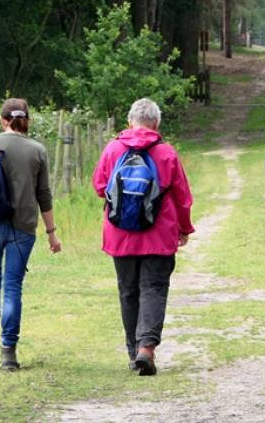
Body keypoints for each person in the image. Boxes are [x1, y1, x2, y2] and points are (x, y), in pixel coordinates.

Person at [92, 98, 195, 376]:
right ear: (156, 124)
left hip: (120, 235)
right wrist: (184, 228)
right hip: (158, 235)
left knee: (128, 290)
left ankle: (132, 352)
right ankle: (146, 349)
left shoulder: (113, 149)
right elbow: (182, 197)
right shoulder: (167, 153)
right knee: (154, 288)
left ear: (129, 122)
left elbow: (100, 187)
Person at [0, 98, 61, 371]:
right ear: (27, 120)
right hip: (23, 227)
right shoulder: (38, 150)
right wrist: (51, 233)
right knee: (12, 287)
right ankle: (8, 353)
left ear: (3, 120)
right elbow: (44, 195)